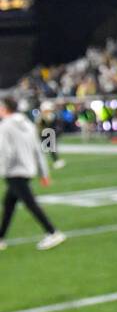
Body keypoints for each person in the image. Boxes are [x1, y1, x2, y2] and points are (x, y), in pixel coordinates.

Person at [0, 97, 65, 252]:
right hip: (27, 169)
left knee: (30, 203)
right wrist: (44, 173)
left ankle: (53, 232)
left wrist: (1, 169)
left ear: (5, 108)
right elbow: (38, 150)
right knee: (9, 204)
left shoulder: (5, 126)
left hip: (14, 171)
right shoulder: (28, 124)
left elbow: (6, 151)